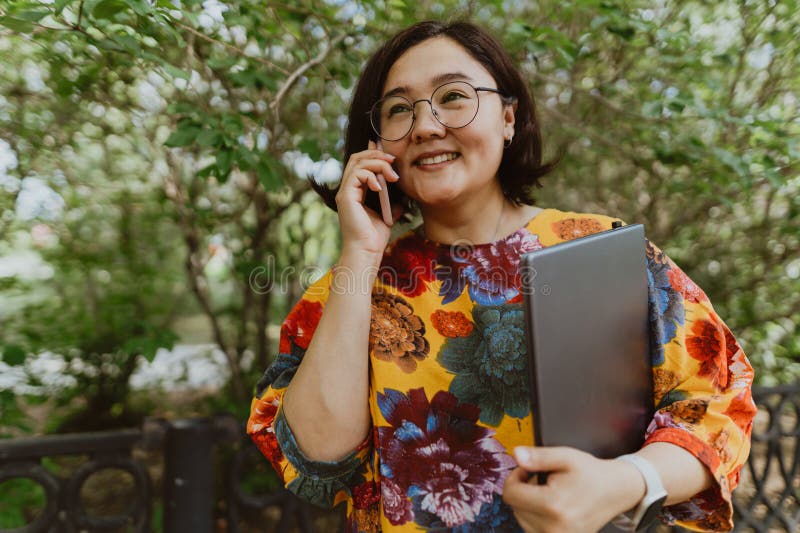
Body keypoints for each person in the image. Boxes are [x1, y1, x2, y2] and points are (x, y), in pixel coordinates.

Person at [247, 20, 756, 532]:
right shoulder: (353, 285)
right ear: (378, 144)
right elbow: (318, 462)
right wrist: (360, 249)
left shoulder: (602, 250)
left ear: (508, 117)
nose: (425, 126)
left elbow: (717, 407)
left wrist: (625, 481)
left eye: (453, 96)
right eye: (399, 109)